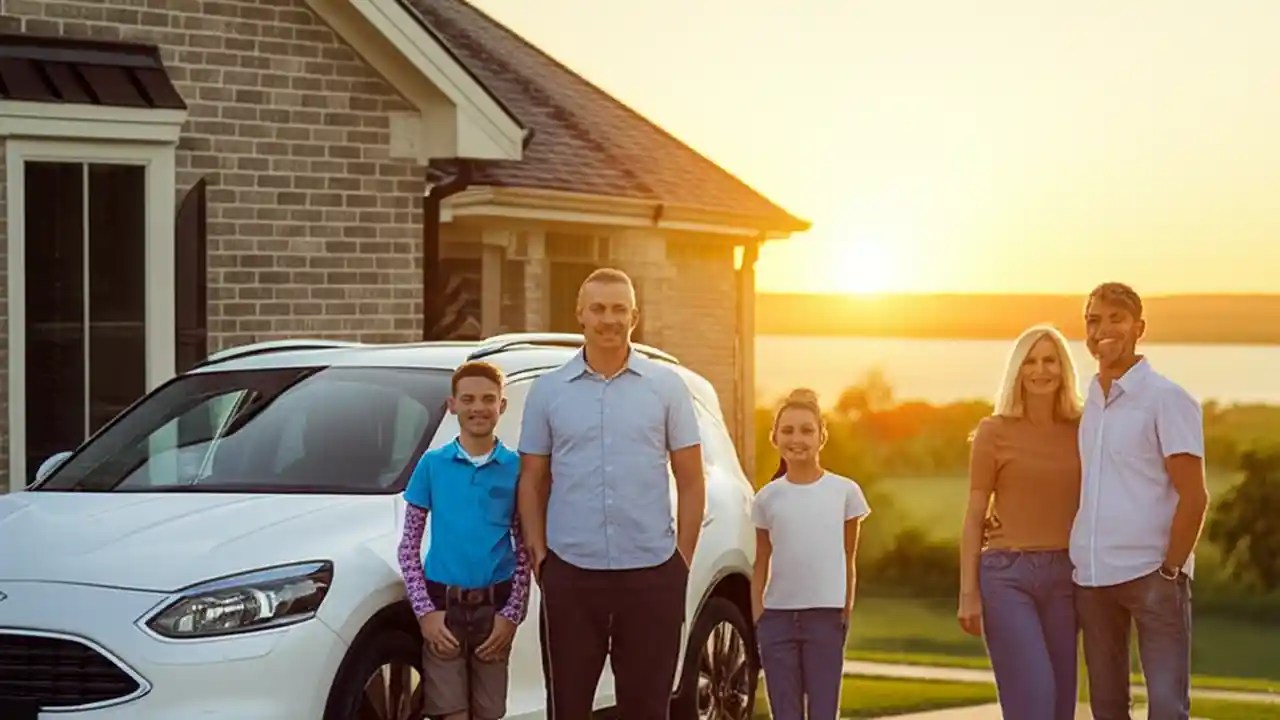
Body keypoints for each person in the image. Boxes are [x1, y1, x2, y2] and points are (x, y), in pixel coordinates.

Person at [516, 267, 705, 719]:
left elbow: (691, 479)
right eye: (598, 308)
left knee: (647, 710)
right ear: (580, 314)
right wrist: (540, 554)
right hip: (571, 575)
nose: (609, 319)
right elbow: (532, 479)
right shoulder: (548, 390)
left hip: (652, 574)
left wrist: (680, 562)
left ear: (634, 317)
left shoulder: (666, 388)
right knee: (568, 709)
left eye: (619, 309)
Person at [1070, 282, 1209, 720]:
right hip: (1093, 579)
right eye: (1094, 321)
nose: (1103, 330)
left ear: (1139, 328)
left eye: (1116, 319)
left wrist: (1170, 570)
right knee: (1107, 708)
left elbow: (1195, 496)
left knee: (1167, 708)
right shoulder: (1090, 402)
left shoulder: (1167, 399)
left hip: (1153, 576)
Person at [957, 324, 1084, 720]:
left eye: (1050, 361)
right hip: (1007, 576)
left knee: (1061, 707)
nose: (1040, 370)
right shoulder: (993, 431)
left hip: (1067, 578)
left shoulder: (1083, 429)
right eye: (1030, 361)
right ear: (1017, 369)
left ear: (1063, 369)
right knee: (1034, 697)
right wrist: (968, 593)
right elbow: (975, 514)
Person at [397, 361, 531, 720]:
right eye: (468, 399)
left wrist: (511, 615)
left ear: (502, 405)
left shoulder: (516, 468)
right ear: (452, 405)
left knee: (489, 710)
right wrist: (425, 613)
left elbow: (524, 550)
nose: (478, 408)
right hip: (443, 607)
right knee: (450, 711)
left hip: (495, 608)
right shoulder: (432, 465)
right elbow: (408, 547)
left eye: (488, 399)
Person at [751, 388, 870, 720]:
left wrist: (844, 612)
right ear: (775, 437)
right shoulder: (767, 498)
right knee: (785, 713)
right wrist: (759, 616)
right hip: (777, 621)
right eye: (787, 430)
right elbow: (761, 562)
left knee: (823, 712)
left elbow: (848, 557)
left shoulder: (845, 492)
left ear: (821, 437)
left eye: (806, 430)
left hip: (825, 619)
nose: (797, 439)